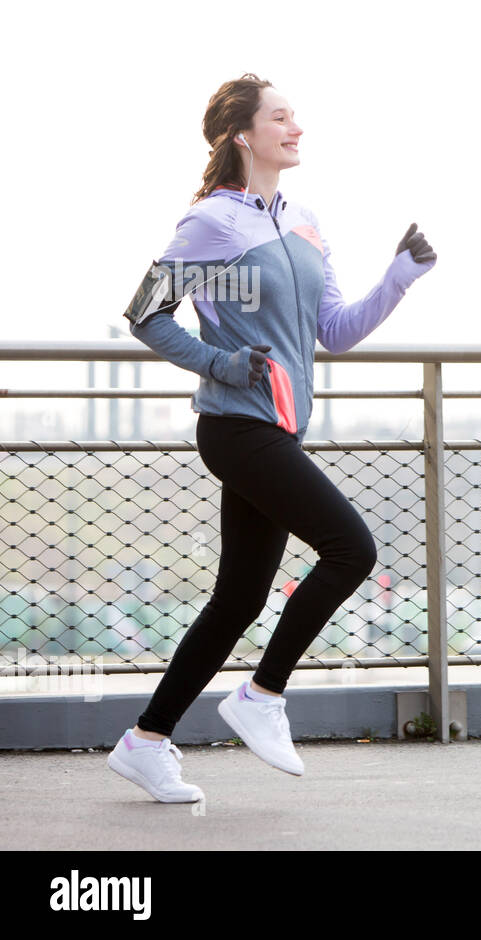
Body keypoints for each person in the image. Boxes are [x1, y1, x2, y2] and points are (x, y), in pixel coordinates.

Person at [106, 73, 437, 803]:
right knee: (353, 549)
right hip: (235, 425)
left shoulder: (304, 220)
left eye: (296, 118)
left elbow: (335, 332)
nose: (296, 129)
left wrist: (399, 278)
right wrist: (220, 362)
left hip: (278, 426)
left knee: (239, 599)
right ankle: (261, 695)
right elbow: (146, 315)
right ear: (241, 135)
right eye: (281, 118)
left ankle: (145, 741)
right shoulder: (212, 224)